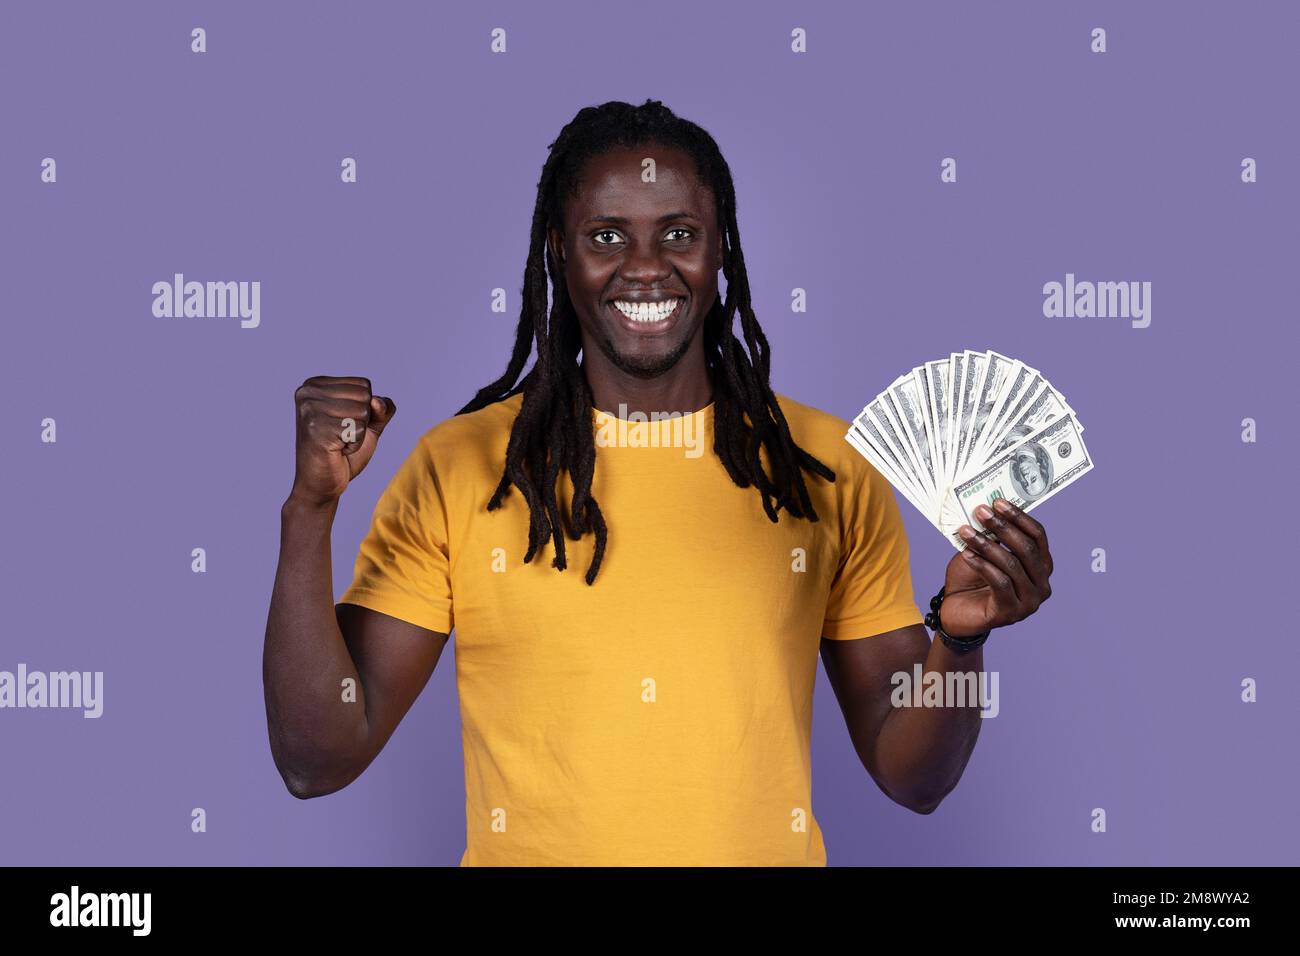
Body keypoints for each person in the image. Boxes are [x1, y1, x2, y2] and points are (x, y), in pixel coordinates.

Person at [262, 100, 1055, 866]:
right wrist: (311, 511)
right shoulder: (459, 465)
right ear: (557, 252)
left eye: (679, 234)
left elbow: (913, 778)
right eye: (607, 236)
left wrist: (960, 639)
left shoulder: (824, 466)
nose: (645, 267)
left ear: (721, 255)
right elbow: (317, 760)